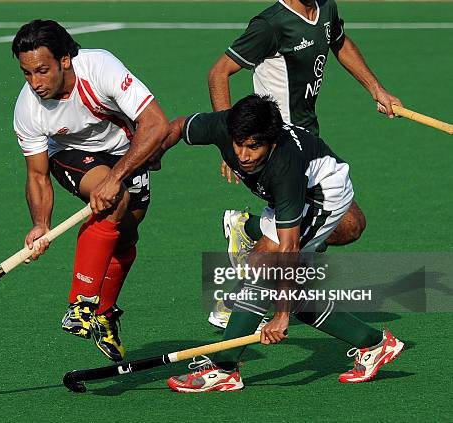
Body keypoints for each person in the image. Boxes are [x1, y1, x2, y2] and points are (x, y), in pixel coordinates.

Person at [156, 94, 404, 392]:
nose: (244, 156)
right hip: (290, 196)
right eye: (239, 145)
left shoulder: (286, 167)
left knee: (266, 271)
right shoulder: (226, 125)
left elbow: (288, 249)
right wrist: (137, 166)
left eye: (253, 147)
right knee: (290, 292)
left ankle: (224, 369)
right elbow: (177, 127)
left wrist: (281, 315)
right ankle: (375, 343)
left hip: (323, 195)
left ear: (271, 143)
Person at [207, 0, 400, 329]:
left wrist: (376, 89)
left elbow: (338, 40)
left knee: (350, 225)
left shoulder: (326, 7)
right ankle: (232, 310)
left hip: (308, 144)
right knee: (284, 246)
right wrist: (230, 144)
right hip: (275, 151)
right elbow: (218, 72)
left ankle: (247, 229)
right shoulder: (270, 25)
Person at [11, 20, 168, 362]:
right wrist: (41, 223)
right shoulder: (28, 109)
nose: (36, 83)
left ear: (64, 60)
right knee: (114, 202)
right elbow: (37, 176)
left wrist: (119, 173)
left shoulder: (99, 67)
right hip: (69, 154)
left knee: (125, 239)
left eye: (42, 71)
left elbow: (156, 123)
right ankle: (81, 303)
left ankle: (104, 314)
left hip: (124, 151)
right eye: (27, 74)